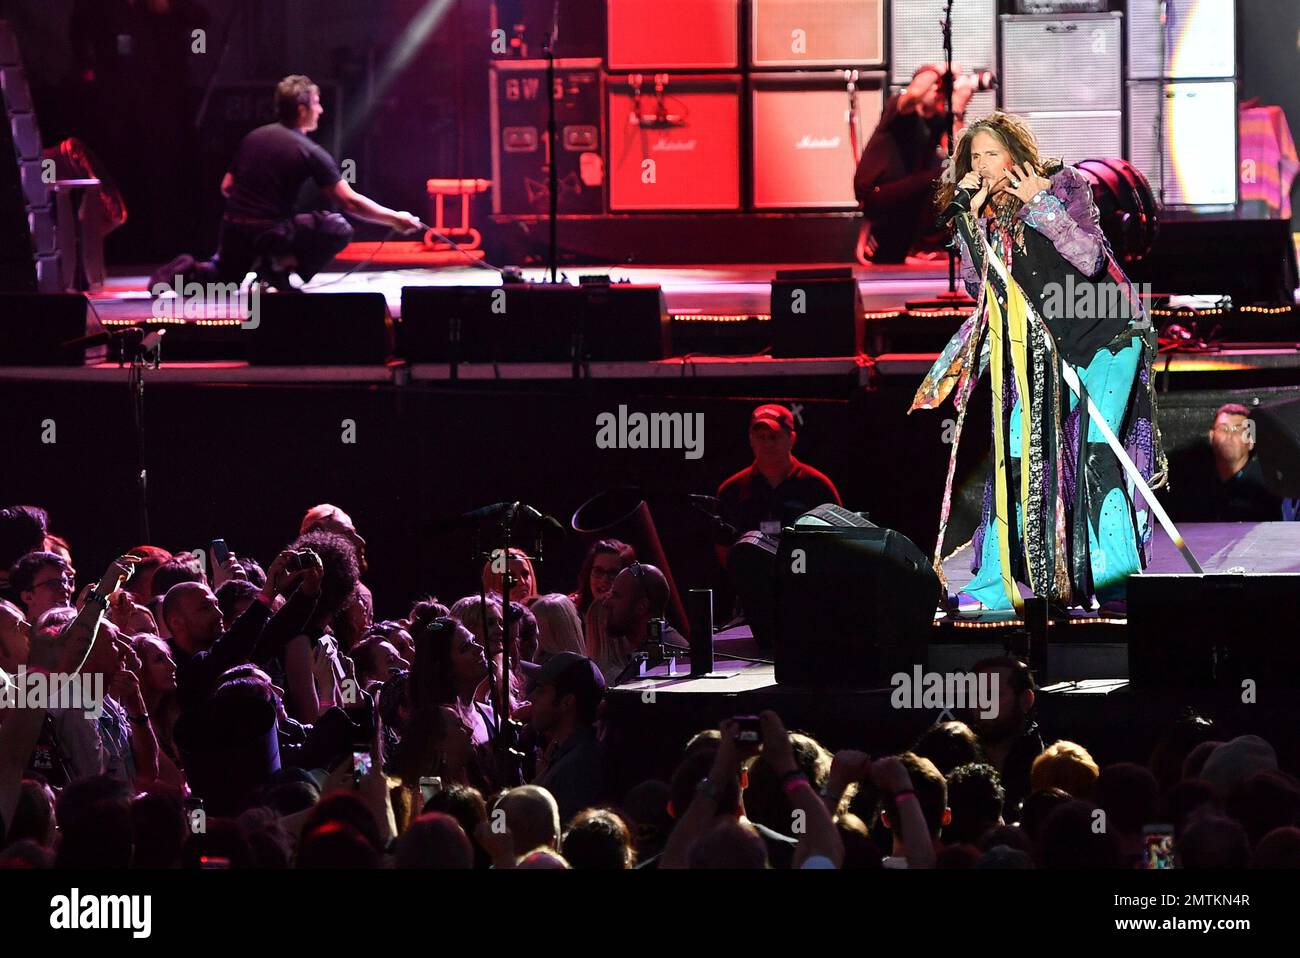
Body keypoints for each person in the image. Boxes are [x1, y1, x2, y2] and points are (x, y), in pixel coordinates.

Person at [915, 111, 1166, 613]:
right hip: (1047, 352)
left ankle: (1116, 583)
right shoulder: (983, 215)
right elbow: (979, 286)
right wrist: (969, 224)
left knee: (1098, 453)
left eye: (991, 153)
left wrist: (1041, 205)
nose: (983, 165)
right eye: (974, 157)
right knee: (1012, 455)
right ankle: (994, 586)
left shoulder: (1063, 183)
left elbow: (1090, 258)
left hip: (1107, 336)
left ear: (1014, 152)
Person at [148, 75, 423, 292]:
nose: (321, 109)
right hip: (272, 232)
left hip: (234, 229)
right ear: (302, 109)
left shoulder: (254, 137)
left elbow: (227, 186)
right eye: (317, 103)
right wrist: (395, 219)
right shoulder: (309, 151)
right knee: (338, 227)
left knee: (222, 279)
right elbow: (349, 202)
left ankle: (183, 270)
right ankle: (279, 265)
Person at [853, 64, 977, 264]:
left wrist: (957, 110)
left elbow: (958, 155)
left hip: (906, 197)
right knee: (943, 172)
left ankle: (939, 244)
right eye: (935, 88)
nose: (939, 93)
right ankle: (924, 247)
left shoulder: (937, 120)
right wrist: (939, 70)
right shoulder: (899, 108)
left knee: (953, 171)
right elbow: (916, 92)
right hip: (876, 192)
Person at [715, 404, 842, 567]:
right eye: (761, 436)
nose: (767, 443)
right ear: (750, 439)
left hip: (805, 587)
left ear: (792, 438)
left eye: (774, 436)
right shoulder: (731, 490)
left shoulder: (817, 486)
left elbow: (838, 544)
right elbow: (724, 548)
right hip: (751, 587)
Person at [530, 652, 609, 824]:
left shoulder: (577, 769)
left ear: (566, 702)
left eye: (542, 691)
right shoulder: (569, 753)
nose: (532, 697)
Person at [589, 562, 682, 683]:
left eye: (616, 596)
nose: (606, 603)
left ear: (641, 607)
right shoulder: (662, 649)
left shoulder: (657, 665)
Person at [1208, 403, 1282, 521]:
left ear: (1251, 441)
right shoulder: (1198, 484)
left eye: (1237, 430)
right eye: (1223, 428)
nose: (1229, 436)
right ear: (1211, 437)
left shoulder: (1264, 488)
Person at [570, 539, 636, 618]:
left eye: (613, 573)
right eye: (598, 571)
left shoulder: (640, 611)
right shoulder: (571, 609)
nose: (604, 579)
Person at [9, 552, 74, 624]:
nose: (65, 588)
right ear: (28, 597)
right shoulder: (12, 634)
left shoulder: (82, 629)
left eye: (65, 581)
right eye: (53, 583)